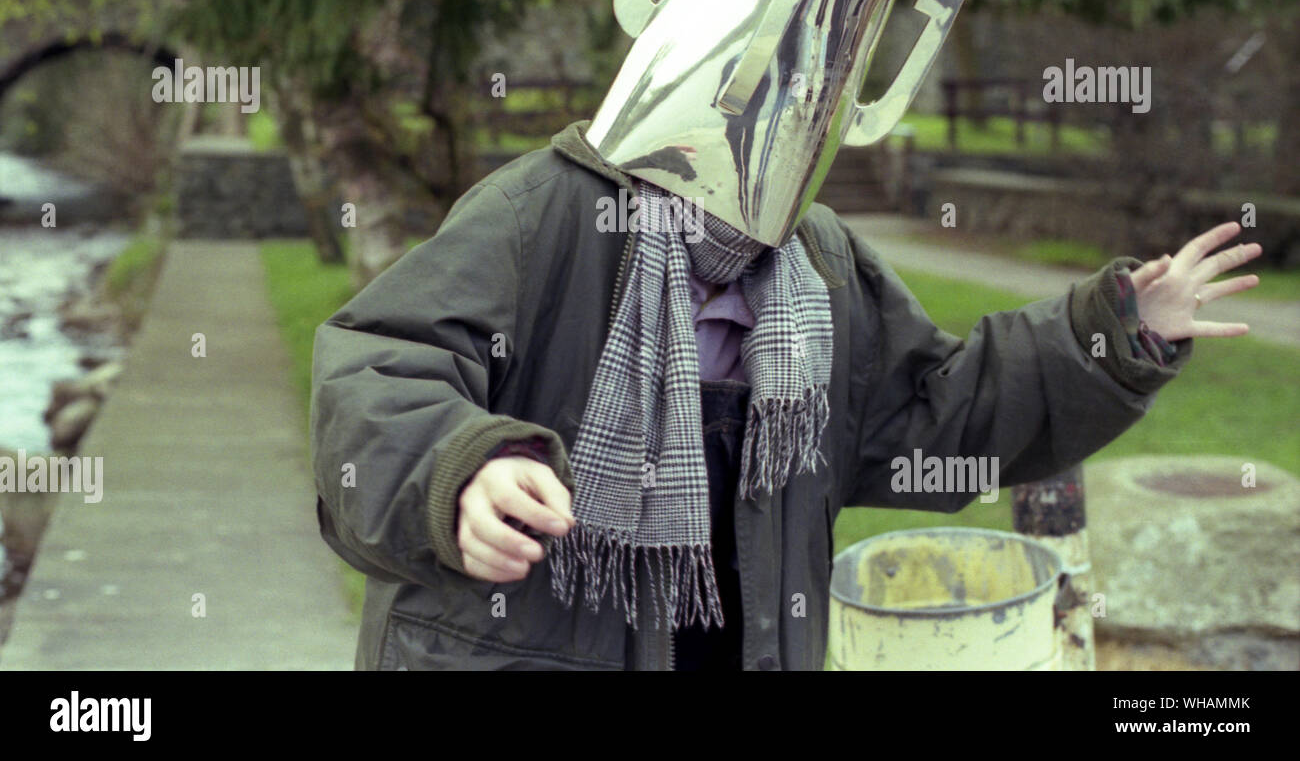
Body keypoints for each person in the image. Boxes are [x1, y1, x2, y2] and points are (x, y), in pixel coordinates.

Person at [309, 118, 1260, 670]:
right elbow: (379, 364)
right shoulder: (545, 210)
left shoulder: (820, 264)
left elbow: (938, 417)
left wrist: (1115, 331)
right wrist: (459, 473)